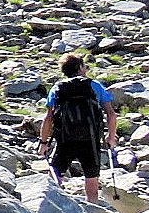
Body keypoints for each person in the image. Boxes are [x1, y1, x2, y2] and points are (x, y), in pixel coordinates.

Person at [37, 53, 117, 202]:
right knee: (92, 182)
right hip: (90, 138)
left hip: (65, 139)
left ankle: (52, 206)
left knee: (54, 177)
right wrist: (111, 137)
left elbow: (48, 117)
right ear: (80, 67)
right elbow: (111, 114)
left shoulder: (57, 88)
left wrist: (43, 142)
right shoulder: (94, 85)